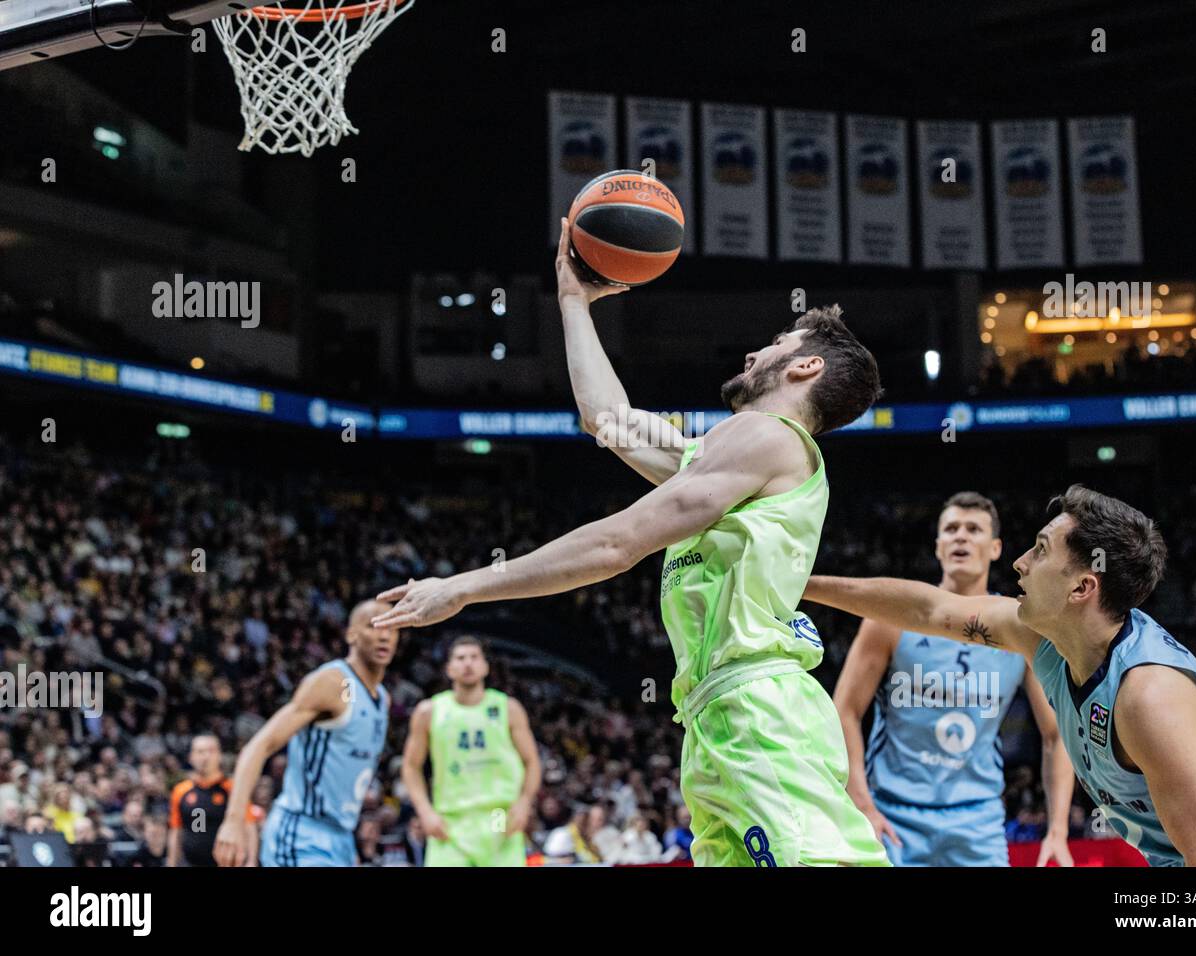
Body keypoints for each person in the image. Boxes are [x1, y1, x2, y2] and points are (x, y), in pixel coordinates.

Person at [370, 218, 889, 867]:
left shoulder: (767, 437)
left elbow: (618, 543)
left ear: (806, 366)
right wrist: (572, 300)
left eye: (776, 343)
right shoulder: (729, 457)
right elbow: (607, 421)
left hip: (760, 710)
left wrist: (463, 587)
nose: (754, 355)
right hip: (712, 713)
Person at [804, 484, 1196, 866]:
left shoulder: (1148, 699)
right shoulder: (1040, 637)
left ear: (1082, 588)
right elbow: (928, 609)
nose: (1019, 563)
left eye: (1040, 550)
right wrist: (800, 585)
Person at [834, 492, 1074, 866]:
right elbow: (844, 710)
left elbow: (1057, 733)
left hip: (977, 820)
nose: (961, 536)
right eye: (951, 529)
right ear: (938, 546)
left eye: (973, 529)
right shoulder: (889, 617)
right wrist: (860, 802)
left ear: (995, 548)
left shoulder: (1022, 627)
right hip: (893, 816)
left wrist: (1057, 829)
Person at [213, 600, 399, 867]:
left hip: (341, 837)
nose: (384, 635)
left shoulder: (383, 699)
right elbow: (259, 746)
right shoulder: (333, 682)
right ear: (351, 635)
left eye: (392, 628)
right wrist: (233, 821)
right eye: (373, 626)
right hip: (302, 832)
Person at [401, 636, 541, 867]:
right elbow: (410, 766)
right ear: (449, 668)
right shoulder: (430, 711)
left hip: (499, 817)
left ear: (485, 667)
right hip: (451, 821)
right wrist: (425, 811)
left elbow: (532, 761)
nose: (468, 663)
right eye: (460, 658)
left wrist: (525, 802)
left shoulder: (508, 708)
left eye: (474, 658)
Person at [167, 734, 255, 867]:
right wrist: (171, 862)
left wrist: (251, 861)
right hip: (190, 863)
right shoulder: (180, 791)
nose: (206, 757)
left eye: (211, 751)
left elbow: (249, 826)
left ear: (219, 755)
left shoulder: (233, 789)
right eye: (200, 752)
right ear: (191, 757)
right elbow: (176, 831)